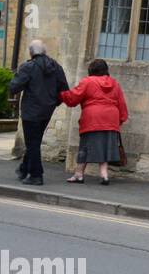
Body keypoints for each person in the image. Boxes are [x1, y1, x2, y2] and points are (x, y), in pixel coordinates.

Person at [8, 39, 70, 186]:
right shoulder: (56, 67)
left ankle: (36, 175)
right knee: (34, 141)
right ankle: (24, 169)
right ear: (44, 51)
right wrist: (53, 103)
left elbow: (14, 87)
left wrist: (16, 76)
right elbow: (64, 90)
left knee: (32, 143)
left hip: (31, 110)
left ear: (31, 52)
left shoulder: (28, 67)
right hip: (46, 110)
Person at [60, 59, 129, 186]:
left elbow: (73, 98)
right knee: (105, 147)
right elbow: (121, 103)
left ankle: (79, 174)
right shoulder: (115, 84)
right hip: (111, 118)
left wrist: (61, 94)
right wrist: (121, 119)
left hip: (92, 117)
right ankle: (104, 175)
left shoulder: (87, 81)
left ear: (91, 70)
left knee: (85, 146)